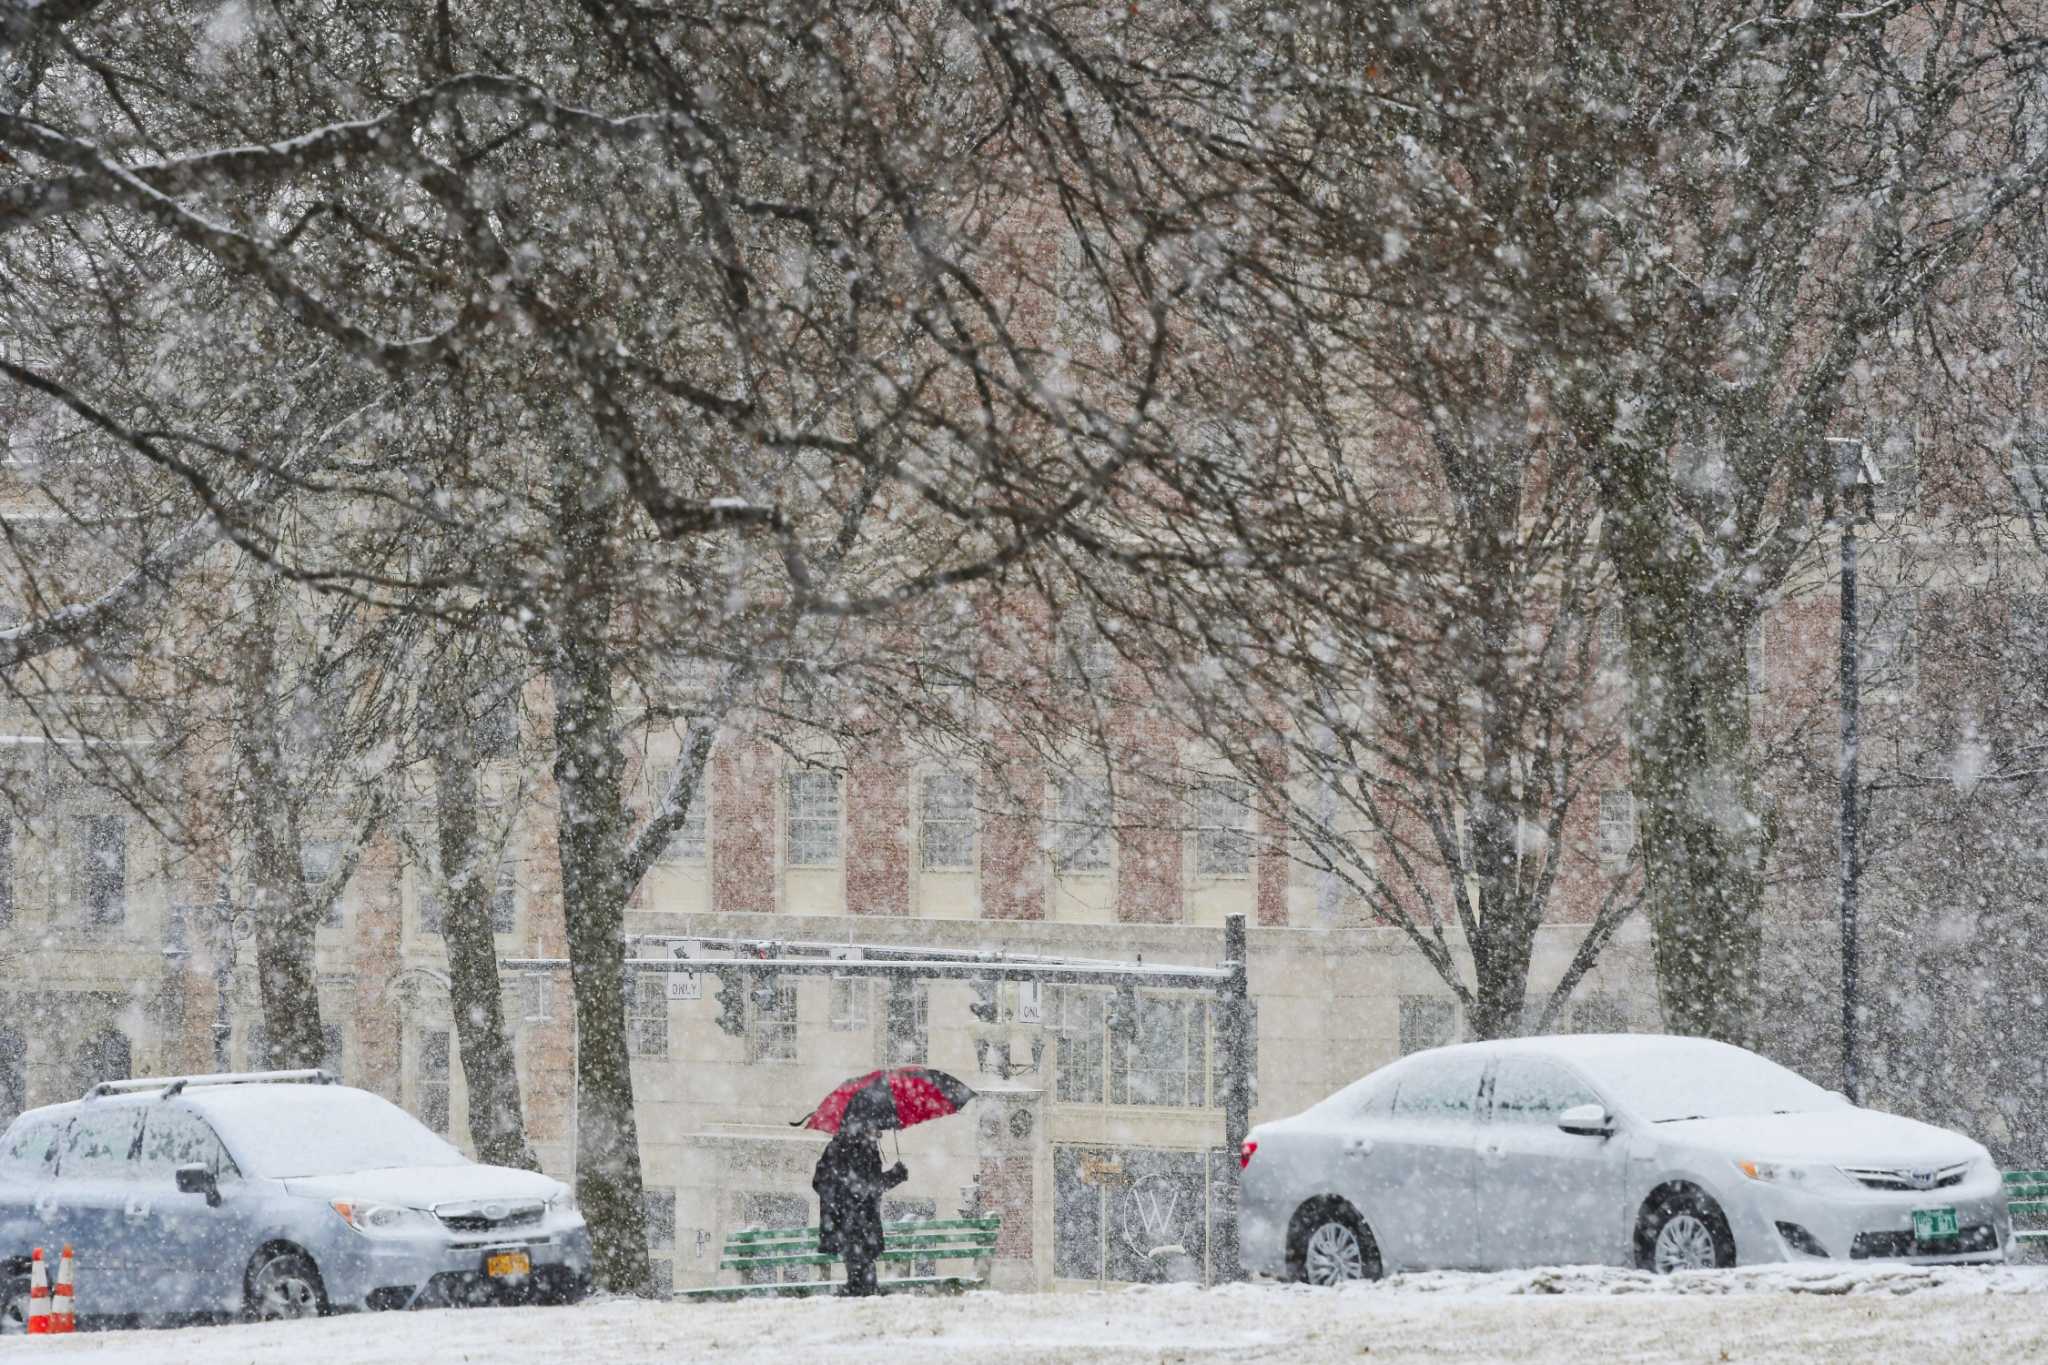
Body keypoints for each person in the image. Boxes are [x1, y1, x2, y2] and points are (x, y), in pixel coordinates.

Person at [812, 1093, 908, 1296]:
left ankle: (859, 1291)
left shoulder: (843, 1145)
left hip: (849, 1221)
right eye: (877, 1127)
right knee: (862, 1275)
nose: (880, 1132)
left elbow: (824, 1182)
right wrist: (894, 1176)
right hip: (856, 1222)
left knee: (860, 1270)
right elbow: (866, 1187)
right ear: (866, 1124)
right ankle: (860, 1293)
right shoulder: (856, 1148)